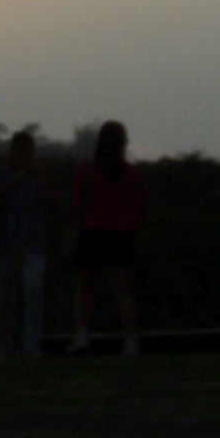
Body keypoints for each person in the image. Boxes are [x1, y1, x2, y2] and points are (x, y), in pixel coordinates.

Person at [67, 120, 144, 355]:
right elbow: (139, 207)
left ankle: (82, 337)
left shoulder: (85, 169)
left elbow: (78, 203)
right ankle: (130, 341)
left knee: (85, 289)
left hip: (93, 233)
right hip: (122, 235)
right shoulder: (131, 173)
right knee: (123, 291)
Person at [0, 130, 51, 358]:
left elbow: (48, 203)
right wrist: (17, 180)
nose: (27, 158)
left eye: (30, 153)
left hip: (33, 243)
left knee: (34, 292)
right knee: (5, 298)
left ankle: (32, 345)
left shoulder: (37, 179)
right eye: (23, 153)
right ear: (12, 152)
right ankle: (6, 348)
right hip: (5, 244)